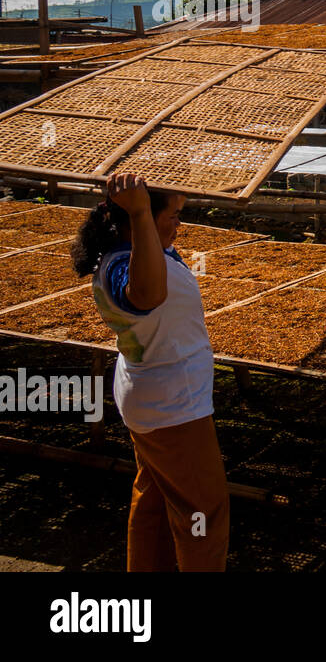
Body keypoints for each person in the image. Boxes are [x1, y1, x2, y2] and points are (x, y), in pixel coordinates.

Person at [70, 172, 229, 571]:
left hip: (152, 397)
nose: (179, 223)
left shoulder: (136, 252)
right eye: (173, 215)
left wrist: (142, 213)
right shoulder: (125, 265)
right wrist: (140, 209)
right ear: (142, 218)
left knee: (156, 499)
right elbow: (148, 295)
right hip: (174, 407)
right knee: (202, 512)